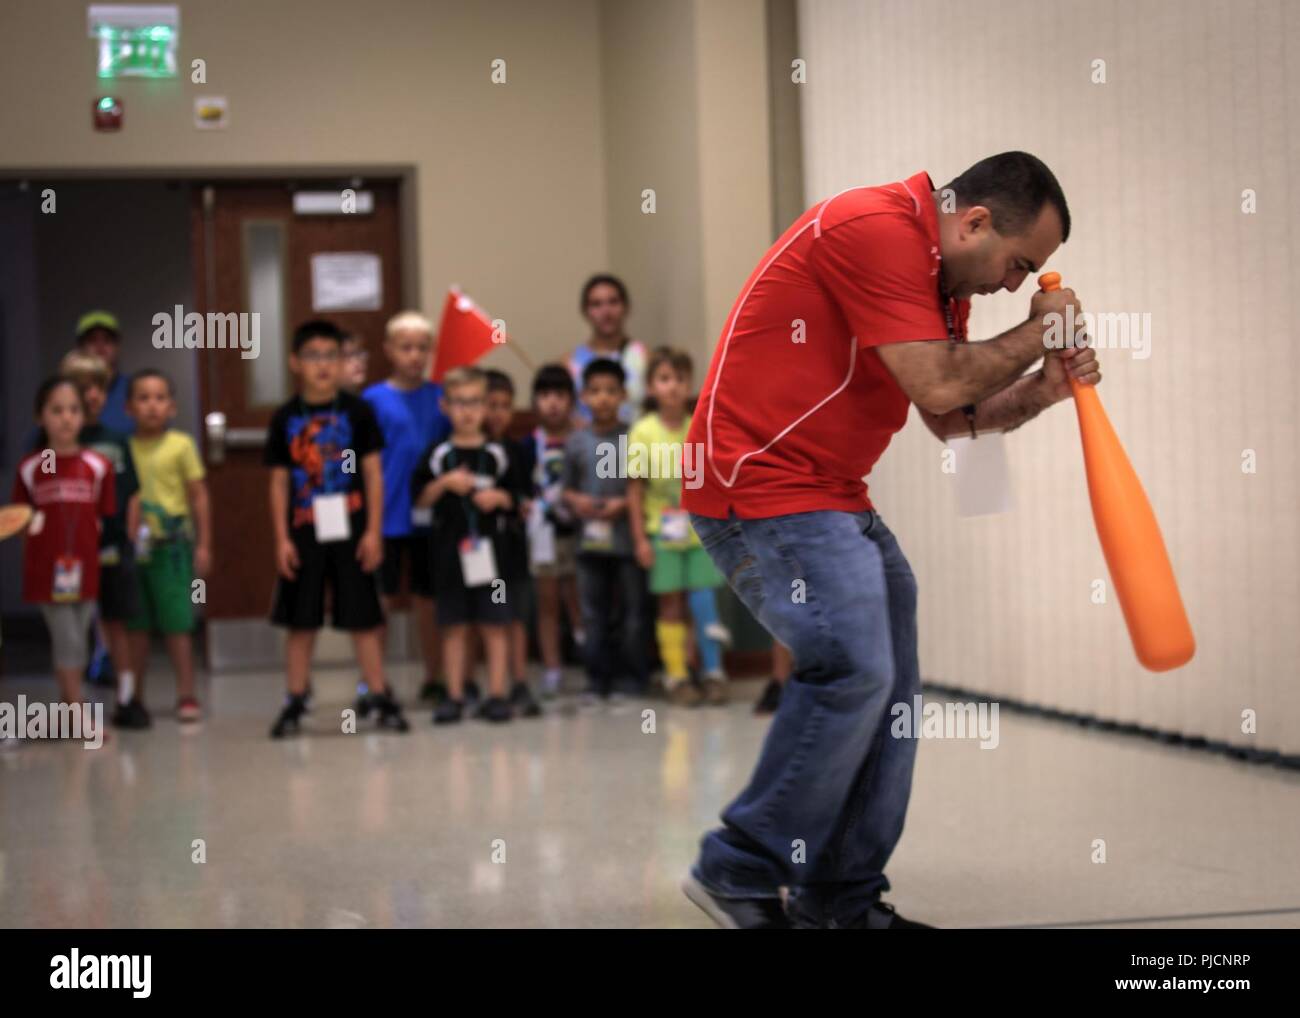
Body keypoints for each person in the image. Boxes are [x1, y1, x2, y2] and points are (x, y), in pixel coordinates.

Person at [680, 152, 1099, 929]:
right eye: (1018, 264)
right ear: (973, 221)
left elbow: (950, 420)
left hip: (831, 495)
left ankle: (838, 900)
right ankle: (736, 865)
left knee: (892, 692)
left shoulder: (941, 281)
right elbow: (943, 384)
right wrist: (1035, 329)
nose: (1013, 283)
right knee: (852, 665)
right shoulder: (871, 227)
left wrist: (1045, 387)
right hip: (759, 484)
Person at [265, 320, 409, 738]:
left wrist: (374, 531)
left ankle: (378, 692)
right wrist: (281, 538)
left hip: (353, 527)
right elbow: (277, 481)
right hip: (304, 529)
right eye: (313, 356)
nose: (323, 365)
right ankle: (295, 697)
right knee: (301, 617)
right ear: (295, 362)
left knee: (364, 615)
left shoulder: (357, 412)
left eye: (331, 356)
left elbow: (372, 473)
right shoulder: (286, 417)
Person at [412, 366, 521, 724]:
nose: (468, 411)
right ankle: (455, 695)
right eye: (459, 403)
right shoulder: (438, 454)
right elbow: (421, 500)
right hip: (448, 556)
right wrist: (443, 483)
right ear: (445, 406)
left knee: (494, 624)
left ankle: (497, 695)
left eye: (475, 402)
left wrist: (501, 497)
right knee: (454, 626)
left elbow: (520, 497)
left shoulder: (499, 453)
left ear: (487, 406)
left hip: (496, 557)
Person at [628, 347, 729, 707]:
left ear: (689, 385)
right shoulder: (642, 432)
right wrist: (640, 538)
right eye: (664, 379)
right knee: (670, 603)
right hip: (661, 531)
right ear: (652, 387)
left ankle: (713, 672)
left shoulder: (699, 427)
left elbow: (712, 482)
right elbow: (635, 489)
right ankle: (676, 675)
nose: (672, 387)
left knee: (703, 597)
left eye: (679, 379)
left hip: (700, 532)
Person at [361, 312, 451, 709]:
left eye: (422, 348)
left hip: (430, 519)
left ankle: (435, 676)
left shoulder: (440, 398)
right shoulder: (373, 400)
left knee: (428, 599)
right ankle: (374, 682)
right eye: (406, 347)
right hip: (386, 517)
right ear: (389, 351)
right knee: (378, 600)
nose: (415, 356)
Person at [10, 378, 115, 711]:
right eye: (57, 410)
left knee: (78, 639)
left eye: (73, 410)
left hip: (85, 568)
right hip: (46, 572)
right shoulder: (30, 468)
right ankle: (78, 711)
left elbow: (102, 516)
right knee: (67, 639)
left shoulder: (99, 466)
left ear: (84, 416)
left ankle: (67, 708)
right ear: (40, 417)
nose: (66, 418)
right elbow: (21, 520)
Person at [57, 352, 148, 728]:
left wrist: (129, 537)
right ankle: (72, 708)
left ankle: (126, 699)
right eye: (82, 388)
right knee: (71, 627)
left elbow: (133, 494)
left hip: (112, 548)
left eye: (98, 387)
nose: (91, 395)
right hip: (69, 553)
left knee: (117, 623)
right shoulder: (55, 444)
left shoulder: (116, 441)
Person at [126, 369, 210, 724]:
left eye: (160, 398)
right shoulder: (123, 449)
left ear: (172, 407)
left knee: (179, 622)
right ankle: (134, 698)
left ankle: (187, 695)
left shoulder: (182, 445)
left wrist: (204, 544)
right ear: (129, 407)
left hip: (174, 549)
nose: (152, 406)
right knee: (136, 627)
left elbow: (198, 495)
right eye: (143, 398)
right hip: (133, 550)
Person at [562, 360, 647, 701]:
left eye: (611, 391)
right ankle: (597, 679)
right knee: (593, 613)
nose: (603, 398)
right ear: (583, 395)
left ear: (624, 395)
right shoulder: (576, 441)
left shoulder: (635, 436)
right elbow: (565, 488)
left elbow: (645, 487)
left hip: (628, 540)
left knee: (632, 612)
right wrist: (577, 500)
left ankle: (633, 677)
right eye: (595, 391)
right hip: (589, 543)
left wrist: (623, 505)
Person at [483, 369, 541, 717]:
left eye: (506, 405)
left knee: (517, 614)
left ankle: (519, 679)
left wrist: (511, 499)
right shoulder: (469, 449)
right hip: (480, 552)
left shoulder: (519, 450)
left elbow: (527, 493)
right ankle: (494, 685)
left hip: (514, 547)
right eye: (491, 405)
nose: (498, 413)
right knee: (489, 616)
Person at [523, 364, 583, 698]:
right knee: (547, 601)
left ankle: (587, 656)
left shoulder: (582, 439)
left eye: (560, 395)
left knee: (577, 597)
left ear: (572, 400)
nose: (553, 403)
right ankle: (552, 668)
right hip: (543, 532)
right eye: (545, 395)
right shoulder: (529, 443)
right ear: (534, 402)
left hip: (579, 529)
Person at [567, 274, 647, 425]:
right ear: (585, 311)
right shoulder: (570, 363)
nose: (606, 311)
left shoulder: (644, 356)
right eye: (596, 304)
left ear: (626, 307)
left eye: (613, 302)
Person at [75, 311, 133, 436]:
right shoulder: (67, 390)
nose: (100, 346)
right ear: (80, 347)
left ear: (117, 346)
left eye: (107, 340)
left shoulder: (134, 389)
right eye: (92, 340)